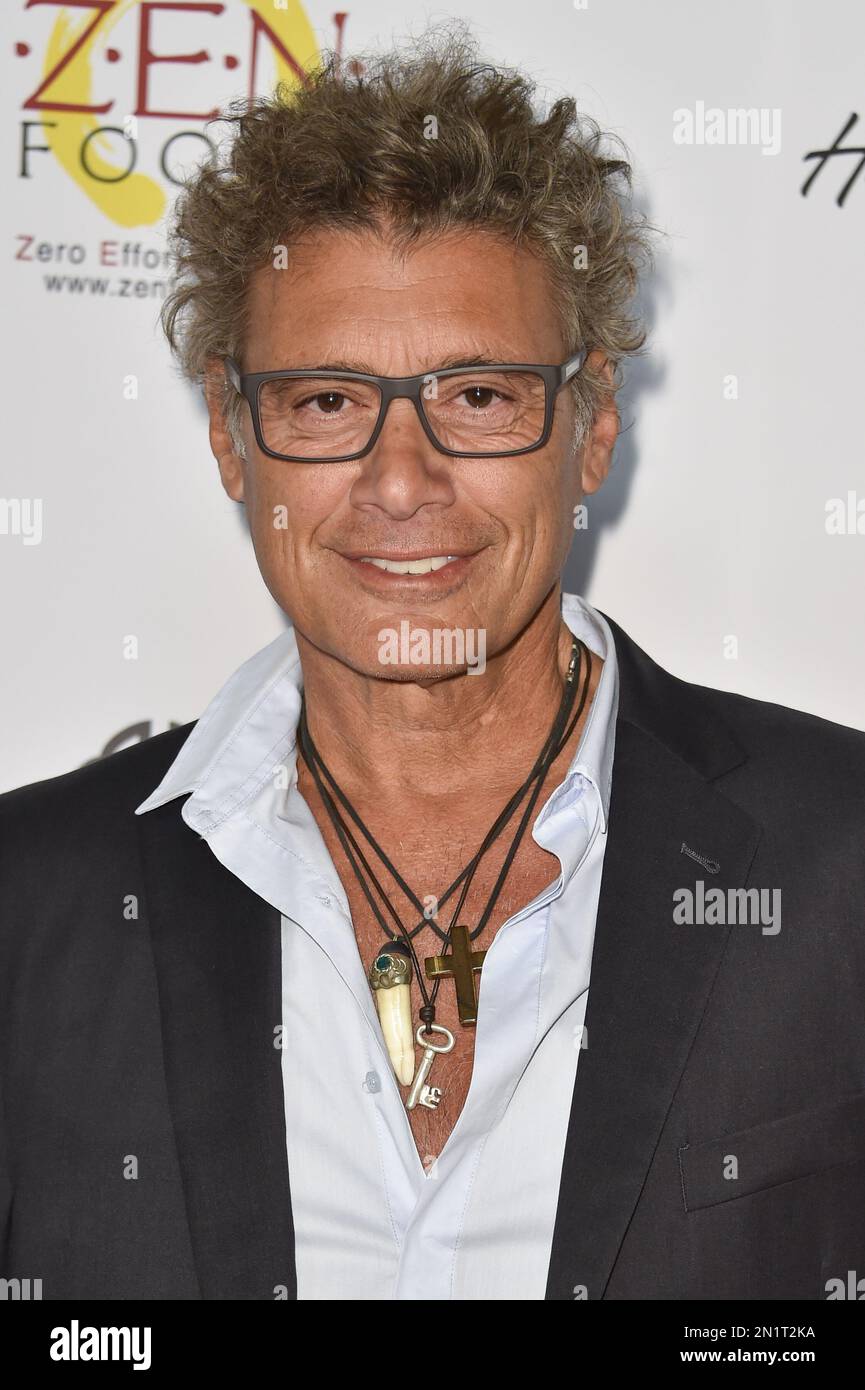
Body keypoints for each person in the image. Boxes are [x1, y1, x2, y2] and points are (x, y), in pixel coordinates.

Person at [2, 30, 864, 1302]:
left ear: (592, 425)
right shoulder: (30, 909)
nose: (401, 482)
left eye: (478, 395)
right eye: (325, 401)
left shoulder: (840, 859)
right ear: (232, 441)